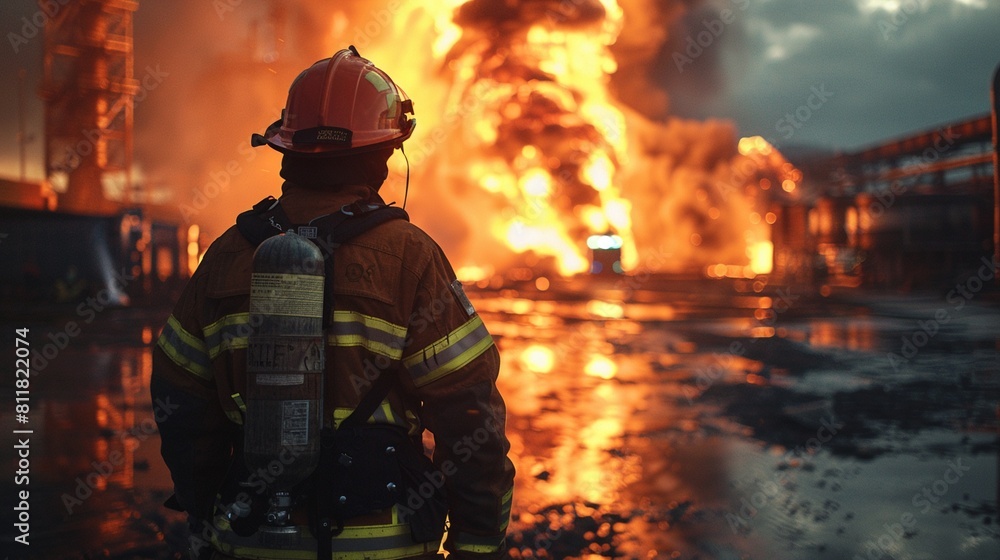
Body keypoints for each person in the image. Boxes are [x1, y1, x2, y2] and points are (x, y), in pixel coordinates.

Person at [152, 47, 515, 560]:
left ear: (286, 151)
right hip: (386, 545)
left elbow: (180, 400)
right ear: (382, 155)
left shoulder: (228, 255)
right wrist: (479, 543)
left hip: (249, 540)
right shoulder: (410, 257)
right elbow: (469, 412)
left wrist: (207, 504)